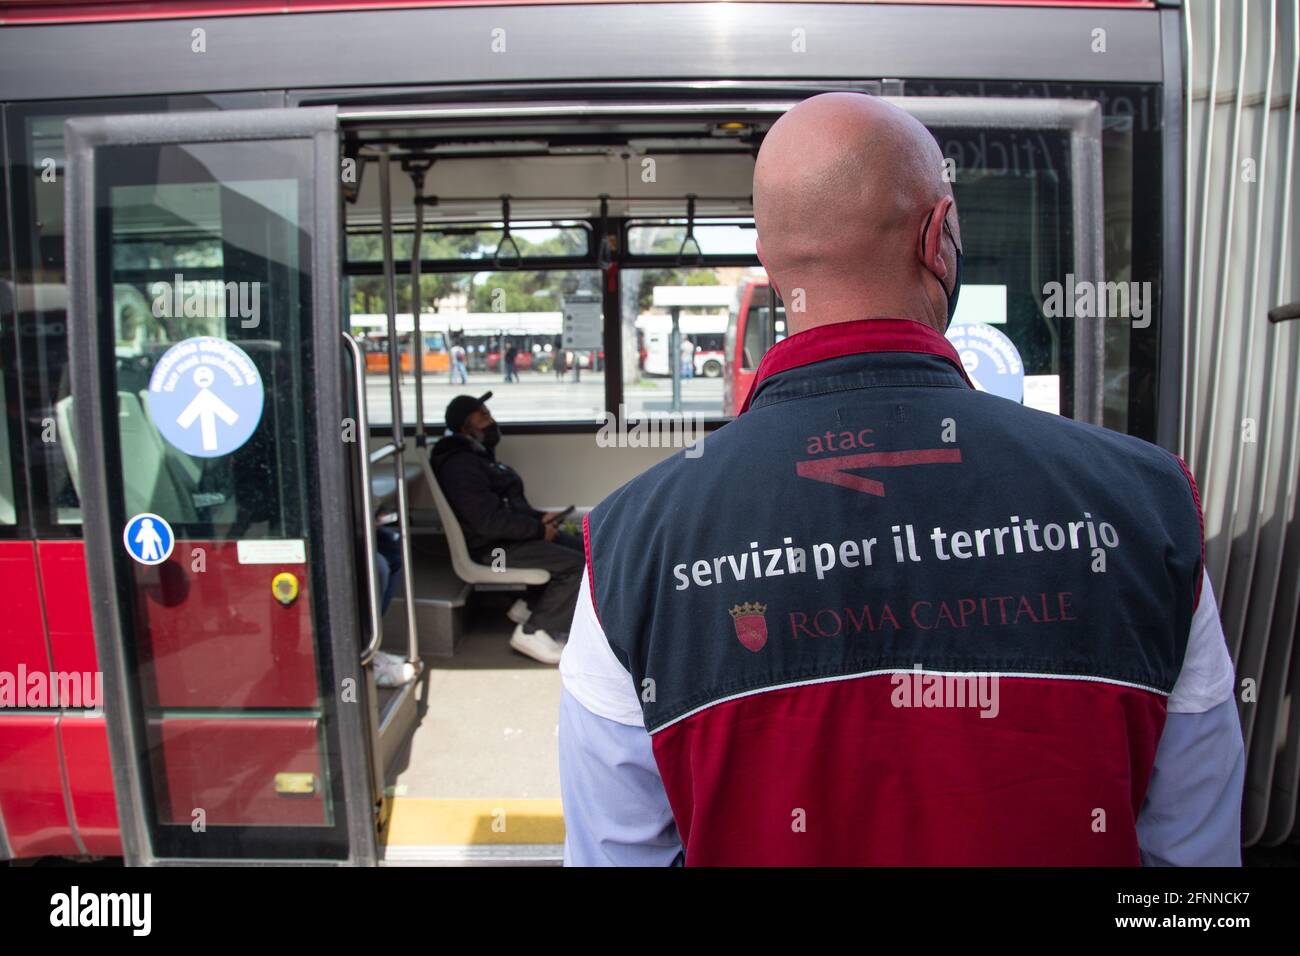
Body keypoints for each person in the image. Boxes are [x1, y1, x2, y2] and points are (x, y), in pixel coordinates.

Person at [558, 92, 1244, 866]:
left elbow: (618, 853)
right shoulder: (1150, 508)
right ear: (936, 238)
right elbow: (1196, 860)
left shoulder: (627, 548)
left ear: (771, 257)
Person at [431, 392, 583, 664]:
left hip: (507, 538)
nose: (492, 422)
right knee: (577, 565)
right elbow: (486, 522)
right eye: (484, 417)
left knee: (583, 545)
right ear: (466, 426)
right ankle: (533, 630)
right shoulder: (460, 465)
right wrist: (537, 530)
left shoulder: (477, 456)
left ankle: (531, 607)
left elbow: (503, 508)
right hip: (494, 550)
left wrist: (539, 519)